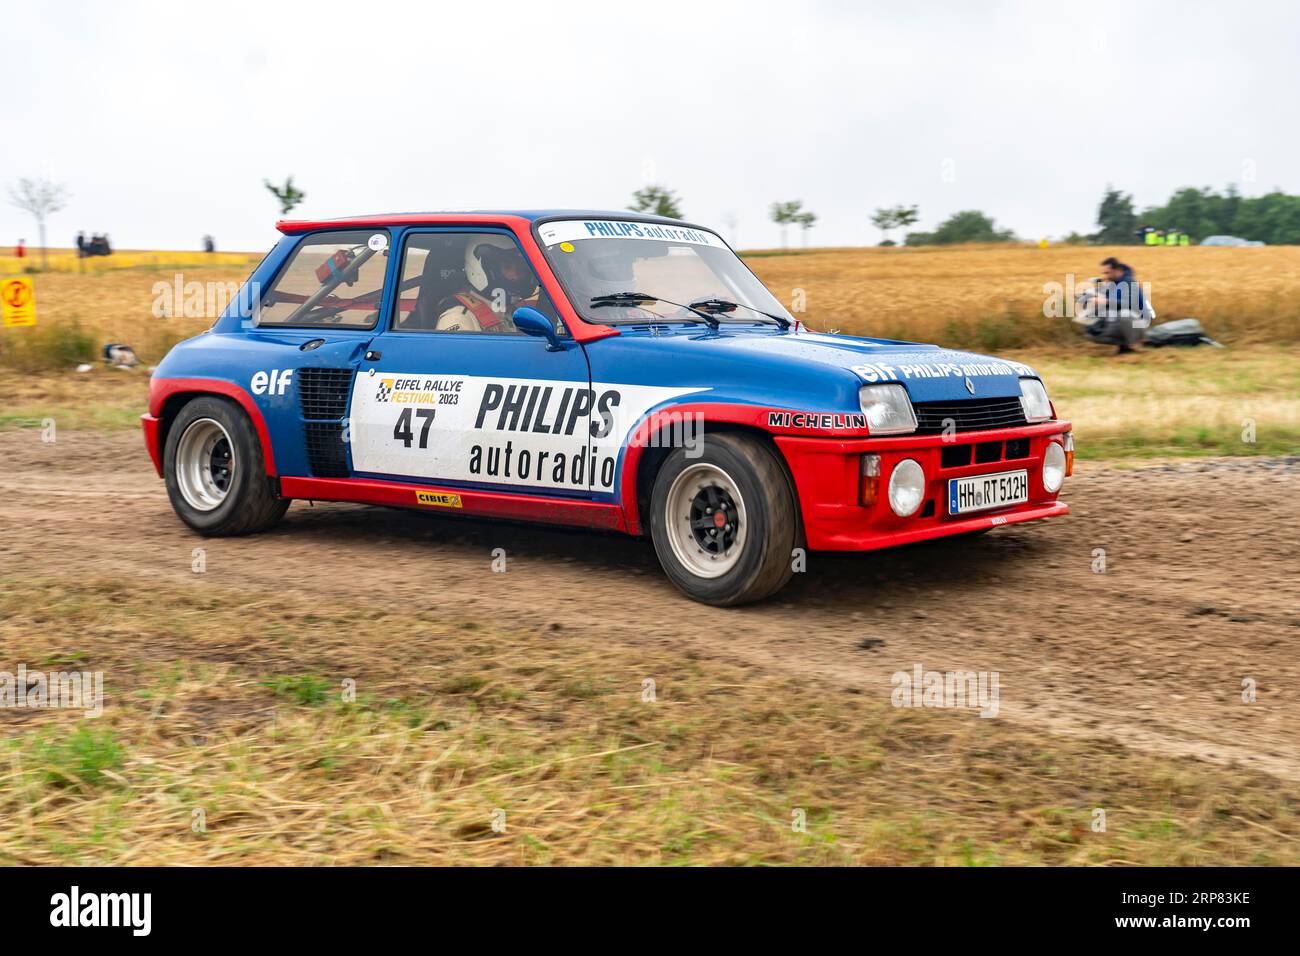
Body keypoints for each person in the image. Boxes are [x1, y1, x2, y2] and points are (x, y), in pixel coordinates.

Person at [435, 236, 542, 333]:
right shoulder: (458, 318)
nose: (516, 276)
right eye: (507, 267)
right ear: (484, 269)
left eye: (521, 268)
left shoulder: (511, 312)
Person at [1084, 257, 1150, 355]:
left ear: (1117, 270)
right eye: (1103, 273)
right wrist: (1089, 298)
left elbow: (1129, 304)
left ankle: (1134, 344)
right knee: (1091, 332)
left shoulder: (1129, 282)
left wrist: (1105, 301)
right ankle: (1124, 346)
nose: (1105, 276)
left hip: (1139, 323)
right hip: (1125, 321)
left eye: (1107, 273)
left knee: (1124, 314)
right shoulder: (1113, 284)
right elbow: (1108, 305)